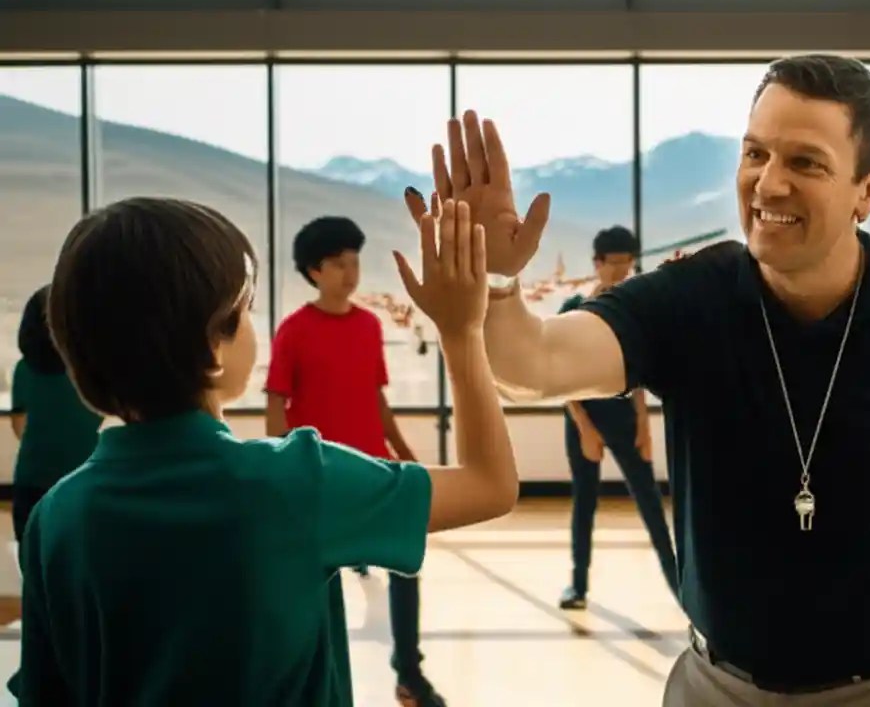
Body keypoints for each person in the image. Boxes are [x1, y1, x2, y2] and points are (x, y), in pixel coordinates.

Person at [405, 54, 870, 706]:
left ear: (868, 192)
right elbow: (533, 367)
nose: (769, 183)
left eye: (805, 162)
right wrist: (495, 282)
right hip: (715, 686)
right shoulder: (689, 301)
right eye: (755, 153)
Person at [16, 196, 517, 705]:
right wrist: (462, 331)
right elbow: (490, 485)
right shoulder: (296, 481)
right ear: (215, 347)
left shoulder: (57, 516)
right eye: (246, 310)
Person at [265, 215, 444, 707]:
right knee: (317, 585)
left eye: (354, 261)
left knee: (408, 567)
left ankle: (409, 673)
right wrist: (280, 467)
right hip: (318, 474)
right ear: (313, 271)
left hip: (373, 469)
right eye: (338, 263)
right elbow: (277, 401)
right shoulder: (294, 331)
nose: (350, 272)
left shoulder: (369, 325)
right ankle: (314, 685)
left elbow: (376, 398)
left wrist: (405, 455)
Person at [558, 225, 678, 609]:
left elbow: (639, 371)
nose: (623, 271)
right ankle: (578, 585)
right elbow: (562, 380)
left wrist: (644, 423)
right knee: (585, 504)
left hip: (624, 419)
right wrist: (584, 429)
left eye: (628, 263)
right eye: (615, 264)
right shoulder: (573, 311)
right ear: (597, 263)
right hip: (585, 421)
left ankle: (680, 589)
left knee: (651, 506)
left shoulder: (632, 309)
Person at [8, 284, 103, 543]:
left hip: (32, 475)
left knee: (32, 558)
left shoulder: (23, 370)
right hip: (83, 477)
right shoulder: (91, 371)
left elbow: (19, 427)